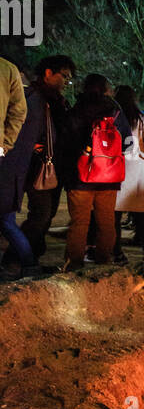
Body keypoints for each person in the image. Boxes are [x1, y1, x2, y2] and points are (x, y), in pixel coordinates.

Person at [5, 55, 74, 269]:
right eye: (63, 76)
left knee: (44, 214)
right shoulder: (32, 98)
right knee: (40, 215)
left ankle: (28, 257)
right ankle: (17, 259)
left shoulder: (56, 101)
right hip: (33, 166)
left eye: (69, 79)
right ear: (48, 73)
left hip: (50, 167)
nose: (66, 82)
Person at [63, 74, 133, 270]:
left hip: (80, 177)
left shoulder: (77, 109)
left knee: (79, 222)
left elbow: (65, 142)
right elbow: (128, 142)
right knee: (106, 221)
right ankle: (104, 261)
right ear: (105, 89)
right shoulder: (115, 111)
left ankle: (73, 263)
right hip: (109, 176)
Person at [0, 78, 43, 280]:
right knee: (7, 222)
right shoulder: (34, 103)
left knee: (7, 223)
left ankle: (29, 263)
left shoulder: (29, 102)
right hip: (14, 172)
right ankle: (29, 264)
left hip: (7, 172)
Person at [113, 86, 144, 263]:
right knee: (143, 216)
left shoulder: (114, 117)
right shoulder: (141, 119)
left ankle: (117, 253)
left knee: (115, 215)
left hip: (118, 169)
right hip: (139, 170)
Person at [0, 54, 27, 164]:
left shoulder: (8, 70)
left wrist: (5, 145)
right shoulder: (8, 69)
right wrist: (5, 145)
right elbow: (18, 112)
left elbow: (18, 112)